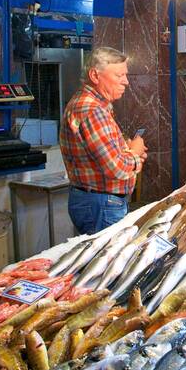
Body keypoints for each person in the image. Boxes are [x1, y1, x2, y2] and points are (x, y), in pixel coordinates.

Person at [60, 46, 147, 233]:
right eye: (119, 76)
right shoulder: (91, 110)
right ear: (95, 75)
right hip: (100, 204)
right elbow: (116, 167)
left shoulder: (100, 106)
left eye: (126, 75)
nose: (126, 82)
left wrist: (129, 152)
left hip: (100, 202)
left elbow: (112, 153)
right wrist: (135, 153)